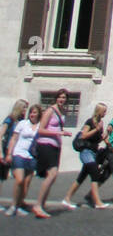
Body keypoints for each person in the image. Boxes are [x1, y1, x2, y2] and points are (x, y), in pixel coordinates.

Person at [32, 88, 72, 219]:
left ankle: (42, 204)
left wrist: (62, 132)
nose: (62, 100)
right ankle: (38, 204)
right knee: (52, 174)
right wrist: (58, 133)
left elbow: (56, 128)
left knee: (52, 176)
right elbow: (41, 130)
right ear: (56, 98)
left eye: (64, 98)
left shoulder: (62, 111)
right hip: (45, 144)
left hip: (55, 145)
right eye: (60, 97)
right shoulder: (50, 110)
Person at [61, 103, 108, 210]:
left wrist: (104, 136)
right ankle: (97, 202)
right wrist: (96, 129)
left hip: (93, 152)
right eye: (104, 111)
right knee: (95, 173)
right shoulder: (90, 121)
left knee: (81, 177)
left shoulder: (101, 123)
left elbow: (97, 140)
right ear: (99, 111)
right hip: (86, 152)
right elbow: (84, 135)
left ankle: (67, 198)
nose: (105, 113)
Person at [5, 103, 41, 216]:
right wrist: (9, 153)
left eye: (34, 112)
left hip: (32, 156)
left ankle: (19, 205)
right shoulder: (22, 123)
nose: (31, 114)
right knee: (19, 180)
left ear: (39, 114)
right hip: (19, 153)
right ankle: (13, 205)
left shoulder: (41, 126)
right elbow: (13, 139)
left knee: (26, 183)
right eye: (31, 112)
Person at [1, 100, 28, 203]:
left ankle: (18, 201)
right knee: (2, 177)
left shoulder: (22, 121)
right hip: (6, 150)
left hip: (16, 152)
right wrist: (1, 153)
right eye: (24, 107)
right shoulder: (10, 120)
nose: (25, 110)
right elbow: (1, 136)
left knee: (19, 177)